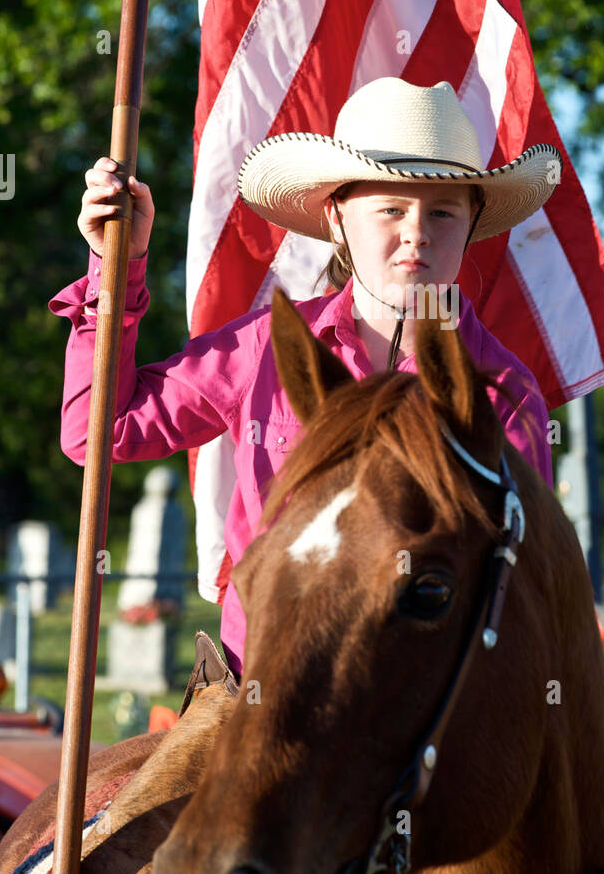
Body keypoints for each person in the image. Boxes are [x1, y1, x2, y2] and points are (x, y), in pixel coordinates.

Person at [49, 77, 561, 676]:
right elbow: (95, 432)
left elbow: (524, 580)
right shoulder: (260, 348)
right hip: (257, 690)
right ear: (338, 218)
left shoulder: (504, 390)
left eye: (443, 212)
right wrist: (118, 266)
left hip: (423, 709)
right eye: (390, 208)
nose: (416, 232)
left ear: (472, 223)